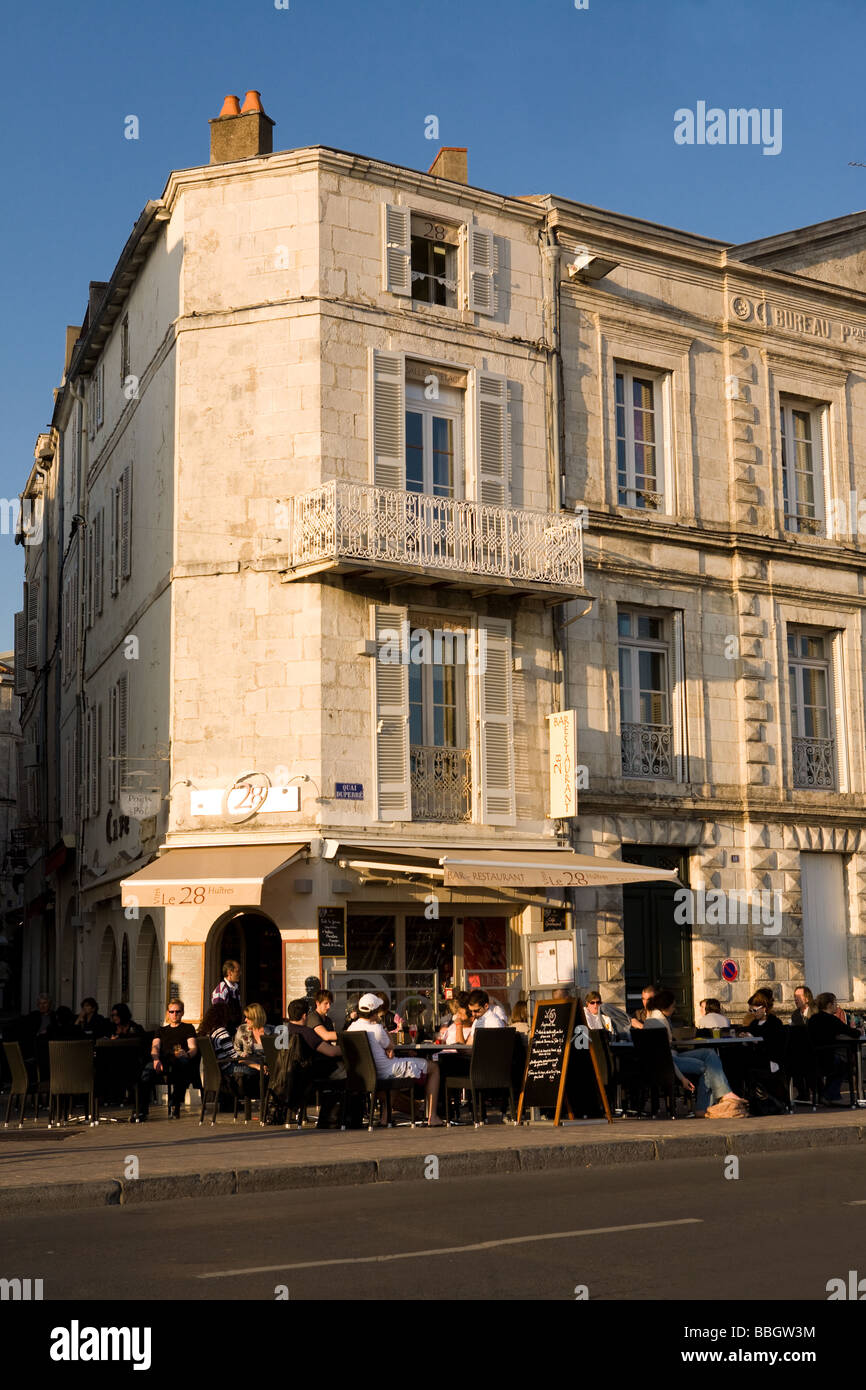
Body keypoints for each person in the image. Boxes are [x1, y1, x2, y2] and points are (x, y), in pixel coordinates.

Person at [644, 990, 748, 1118]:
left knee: (709, 1054)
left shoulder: (656, 1018)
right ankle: (704, 1107)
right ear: (666, 1006)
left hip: (670, 1057)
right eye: (673, 1006)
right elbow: (665, 1057)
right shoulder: (658, 1023)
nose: (675, 1009)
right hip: (669, 1063)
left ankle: (724, 1095)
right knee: (707, 1066)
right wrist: (682, 1078)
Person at [348, 993, 443, 1126]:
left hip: (367, 1075)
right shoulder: (376, 1028)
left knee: (395, 1077)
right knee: (433, 1068)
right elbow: (391, 1045)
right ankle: (432, 1116)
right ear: (375, 1012)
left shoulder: (351, 1028)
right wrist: (380, 1026)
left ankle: (385, 1119)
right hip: (386, 1070)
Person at [141, 1000, 199, 1118]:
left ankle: (174, 1103)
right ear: (168, 1013)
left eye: (177, 1011)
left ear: (182, 1012)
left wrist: (186, 1054)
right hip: (164, 1060)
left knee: (182, 1064)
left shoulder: (188, 1028)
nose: (174, 1014)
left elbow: (193, 1048)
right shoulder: (161, 1030)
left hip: (180, 1059)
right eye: (172, 1011)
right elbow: (155, 1046)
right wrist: (156, 1059)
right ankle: (141, 1109)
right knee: (147, 1070)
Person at [807, 993, 863, 1103]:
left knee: (837, 1064)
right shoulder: (832, 1020)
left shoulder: (813, 1019)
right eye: (835, 1003)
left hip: (813, 1058)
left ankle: (828, 1094)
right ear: (829, 1005)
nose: (837, 1006)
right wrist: (859, 1031)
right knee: (845, 1064)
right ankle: (829, 1095)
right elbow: (852, 1033)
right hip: (827, 1058)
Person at [199, 1001, 261, 1087]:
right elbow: (235, 1057)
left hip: (219, 1068)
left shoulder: (211, 1032)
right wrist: (256, 1066)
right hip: (228, 1068)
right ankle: (256, 1096)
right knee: (258, 1070)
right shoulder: (222, 1032)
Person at [211, 960, 242, 1026]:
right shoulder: (222, 989)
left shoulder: (236, 989)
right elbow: (218, 1014)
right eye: (237, 971)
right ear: (229, 973)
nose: (240, 973)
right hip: (225, 1030)